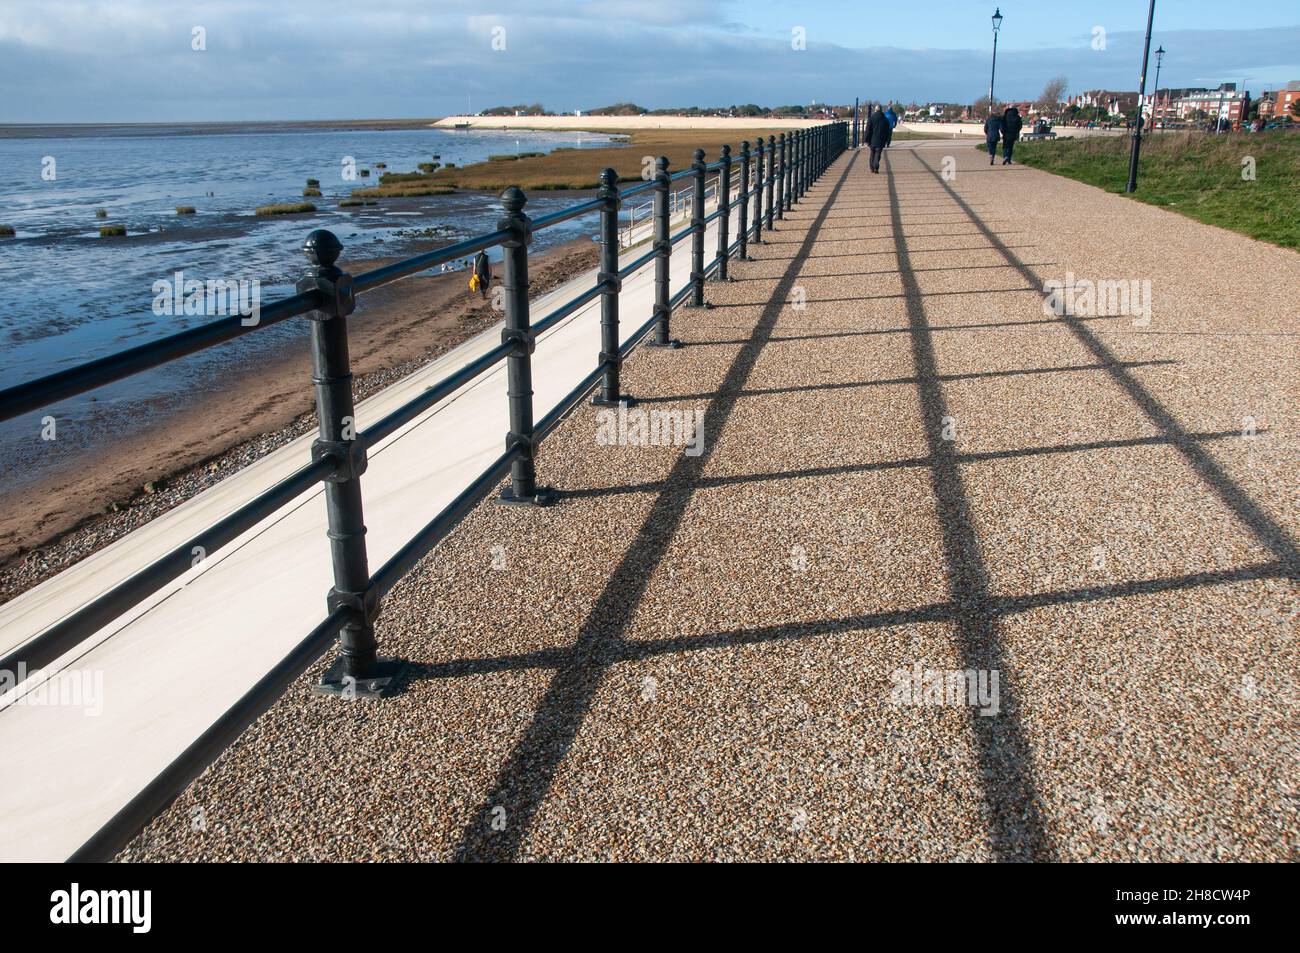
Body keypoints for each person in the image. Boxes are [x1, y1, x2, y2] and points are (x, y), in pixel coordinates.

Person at [867, 106, 890, 173]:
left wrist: (866, 139)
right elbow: (887, 131)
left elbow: (868, 130)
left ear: (875, 110)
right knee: (878, 153)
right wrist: (887, 140)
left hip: (872, 139)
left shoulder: (871, 118)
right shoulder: (885, 119)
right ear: (881, 110)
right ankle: (876, 167)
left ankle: (872, 167)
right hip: (881, 140)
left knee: (872, 153)